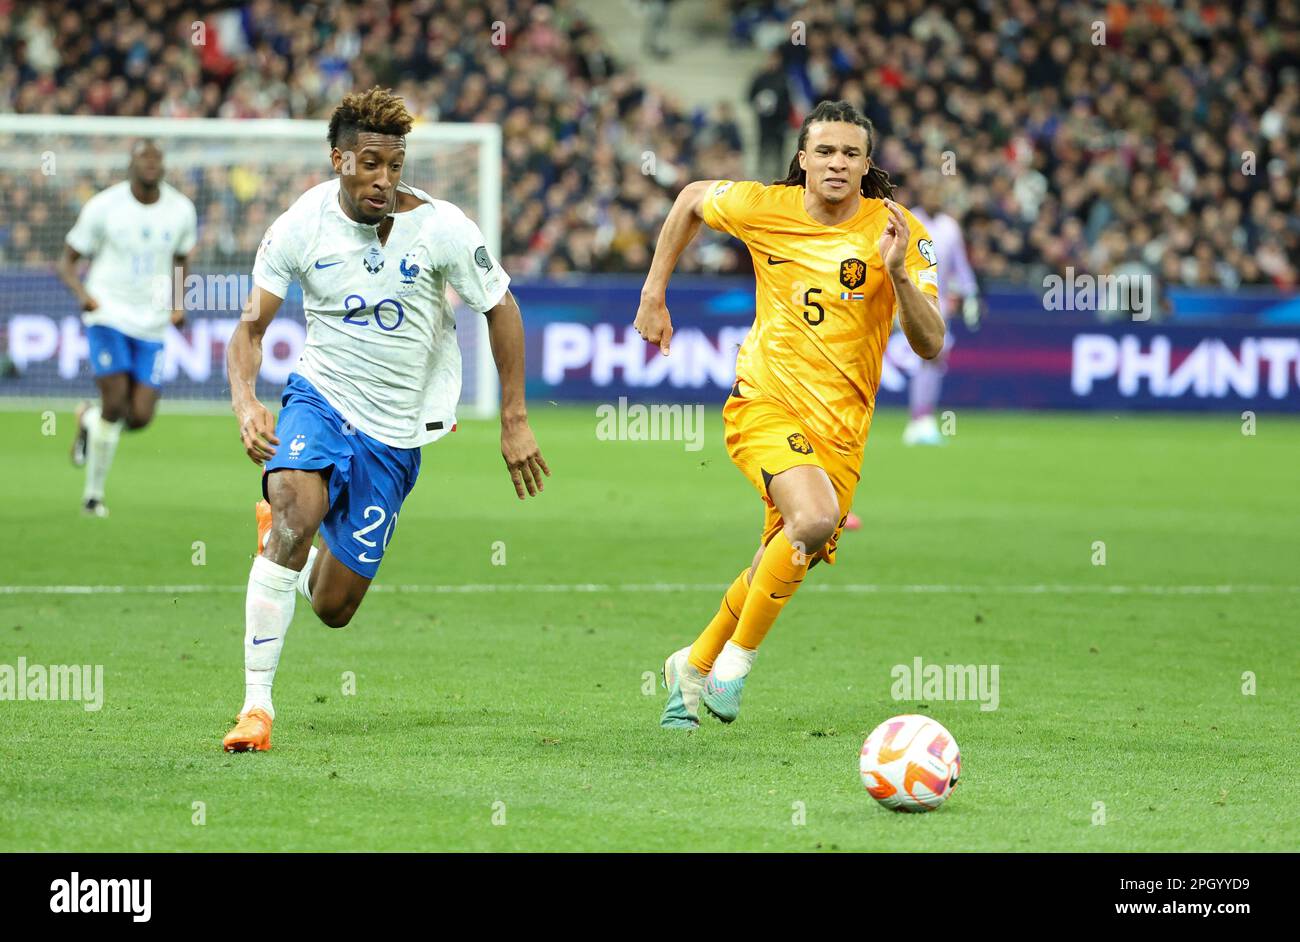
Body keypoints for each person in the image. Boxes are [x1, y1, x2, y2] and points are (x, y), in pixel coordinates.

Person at [221, 87, 549, 752]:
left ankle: (293, 532)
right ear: (339, 157)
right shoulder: (298, 226)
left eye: (394, 166)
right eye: (369, 163)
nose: (383, 179)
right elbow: (252, 325)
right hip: (321, 396)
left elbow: (501, 306)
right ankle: (256, 710)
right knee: (294, 511)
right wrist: (246, 398)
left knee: (334, 608)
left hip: (396, 433)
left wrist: (513, 419)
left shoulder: (441, 228)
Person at [634, 100, 944, 728]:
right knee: (815, 517)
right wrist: (653, 290)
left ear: (866, 165)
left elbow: (931, 343)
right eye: (824, 151)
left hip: (843, 433)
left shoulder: (901, 233)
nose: (837, 163)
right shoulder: (764, 208)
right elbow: (692, 196)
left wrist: (898, 277)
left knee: (784, 548)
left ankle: (691, 666)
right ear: (802, 159)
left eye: (850, 153)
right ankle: (735, 666)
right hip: (764, 404)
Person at [59, 139, 195, 516]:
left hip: (151, 322)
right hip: (108, 314)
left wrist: (178, 303)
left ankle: (87, 419)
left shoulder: (181, 209)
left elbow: (182, 258)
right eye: (144, 158)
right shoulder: (104, 206)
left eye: (157, 157)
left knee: (139, 416)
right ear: (130, 164)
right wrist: (83, 294)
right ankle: (93, 497)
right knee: (115, 403)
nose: (151, 163)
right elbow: (67, 262)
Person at [904, 172, 980, 445]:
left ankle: (921, 418)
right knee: (927, 359)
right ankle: (918, 419)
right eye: (929, 192)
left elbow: (960, 266)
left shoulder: (950, 227)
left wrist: (970, 294)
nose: (934, 197)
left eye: (938, 192)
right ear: (921, 194)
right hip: (908, 302)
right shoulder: (909, 221)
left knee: (934, 361)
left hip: (939, 304)